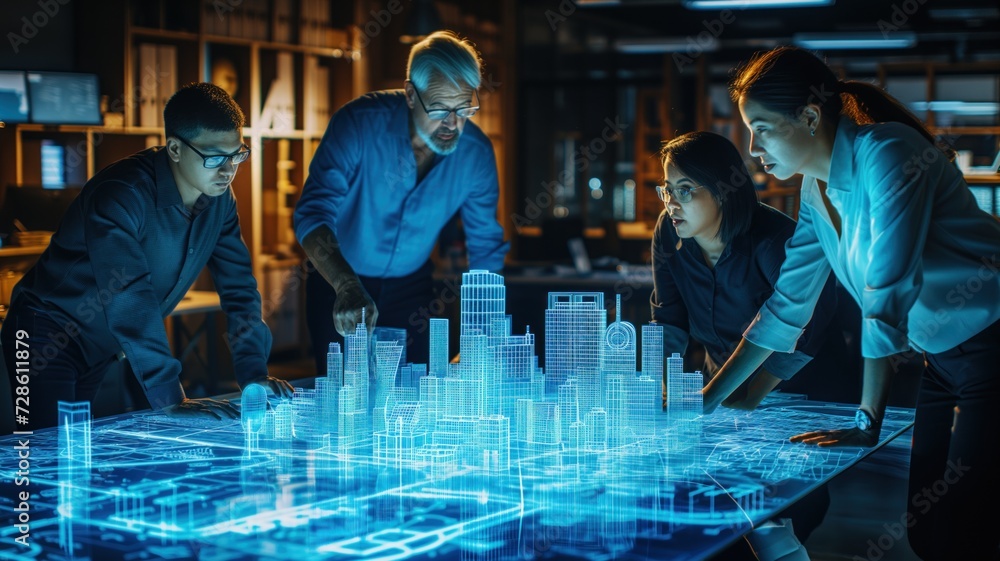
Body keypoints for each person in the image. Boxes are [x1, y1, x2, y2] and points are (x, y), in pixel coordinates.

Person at [702, 46, 1000, 561]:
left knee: (964, 531)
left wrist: (867, 423)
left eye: (763, 128)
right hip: (944, 360)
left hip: (992, 342)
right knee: (927, 531)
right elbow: (786, 308)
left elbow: (887, 293)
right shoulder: (817, 191)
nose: (752, 147)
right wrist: (703, 404)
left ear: (811, 116)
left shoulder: (888, 152)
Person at [1, 82, 293, 432]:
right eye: (214, 157)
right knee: (42, 454)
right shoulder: (122, 194)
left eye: (237, 155)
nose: (227, 170)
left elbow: (239, 288)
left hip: (100, 345)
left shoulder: (220, 200)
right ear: (174, 148)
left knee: (75, 451)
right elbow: (129, 294)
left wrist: (253, 377)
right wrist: (172, 400)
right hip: (43, 332)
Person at [652, 131, 842, 561]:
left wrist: (750, 394)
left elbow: (811, 328)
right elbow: (669, 320)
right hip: (721, 389)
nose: (671, 203)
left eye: (685, 190)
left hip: (799, 387)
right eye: (667, 189)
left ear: (723, 191)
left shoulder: (776, 239)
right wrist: (664, 389)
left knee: (784, 502)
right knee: (710, 505)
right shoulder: (669, 234)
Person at [294, 30, 508, 374]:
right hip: (338, 278)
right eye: (439, 108)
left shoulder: (477, 154)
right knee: (342, 396)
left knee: (414, 395)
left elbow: (486, 249)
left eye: (464, 107)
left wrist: (478, 339)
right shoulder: (358, 125)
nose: (452, 124)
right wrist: (346, 284)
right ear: (410, 94)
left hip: (413, 285)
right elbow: (313, 213)